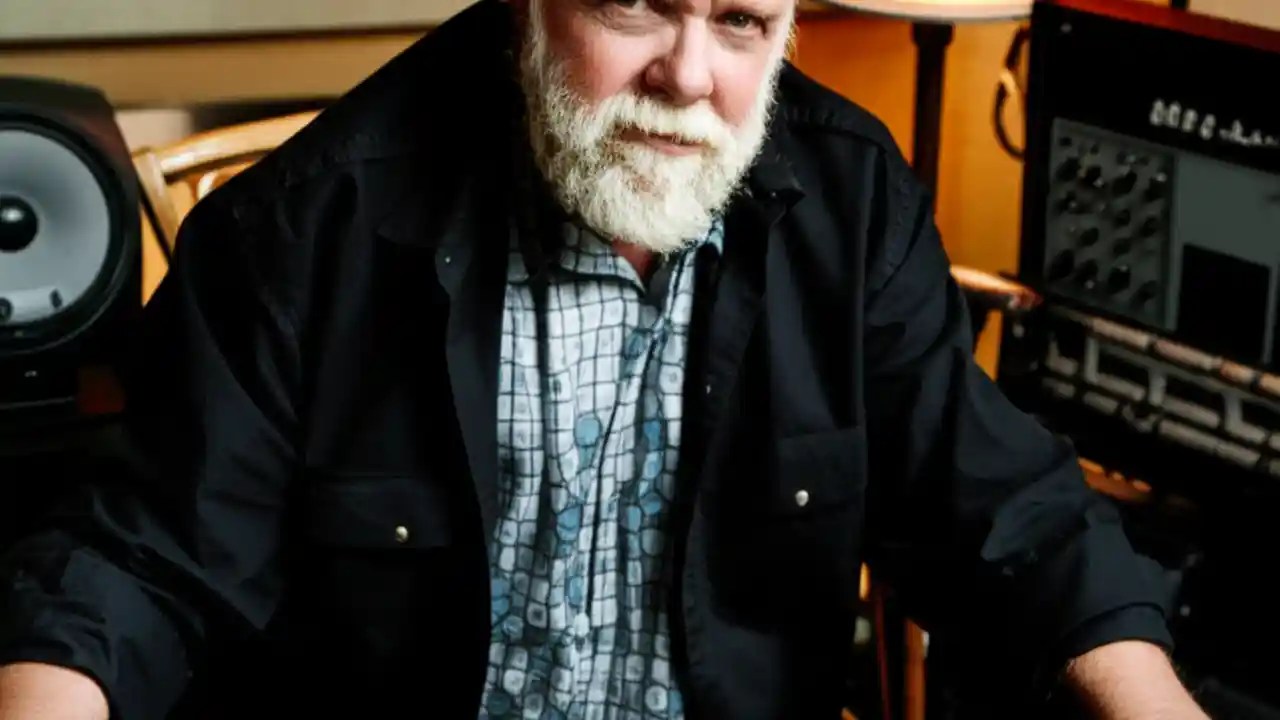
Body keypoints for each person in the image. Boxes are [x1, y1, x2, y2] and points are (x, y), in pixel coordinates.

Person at [0, 0, 1209, 718]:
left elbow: (1000, 511)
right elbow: (140, 560)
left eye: (739, 22)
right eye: (633, 4)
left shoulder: (851, 205)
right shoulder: (305, 227)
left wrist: (1148, 700)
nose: (687, 76)